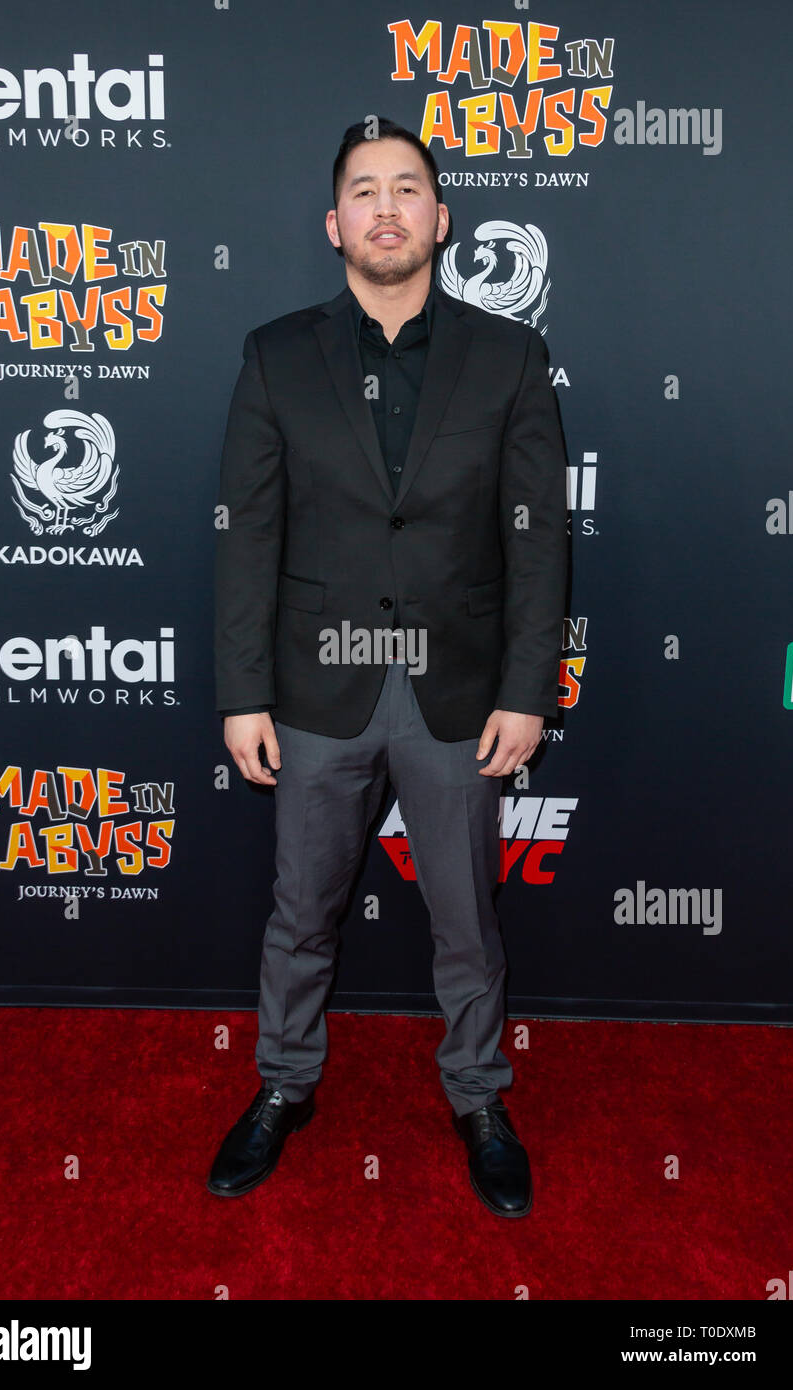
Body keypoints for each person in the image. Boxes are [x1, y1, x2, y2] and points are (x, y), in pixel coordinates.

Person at [208, 116, 568, 1218]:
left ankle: (476, 1096)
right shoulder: (276, 354)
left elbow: (537, 540)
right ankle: (282, 1084)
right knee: (300, 910)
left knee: (464, 917)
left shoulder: (509, 356)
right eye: (361, 190)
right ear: (333, 224)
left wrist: (524, 687)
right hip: (317, 691)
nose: (383, 206)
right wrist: (242, 692)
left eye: (405, 187)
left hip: (457, 693)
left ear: (438, 217)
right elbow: (247, 536)